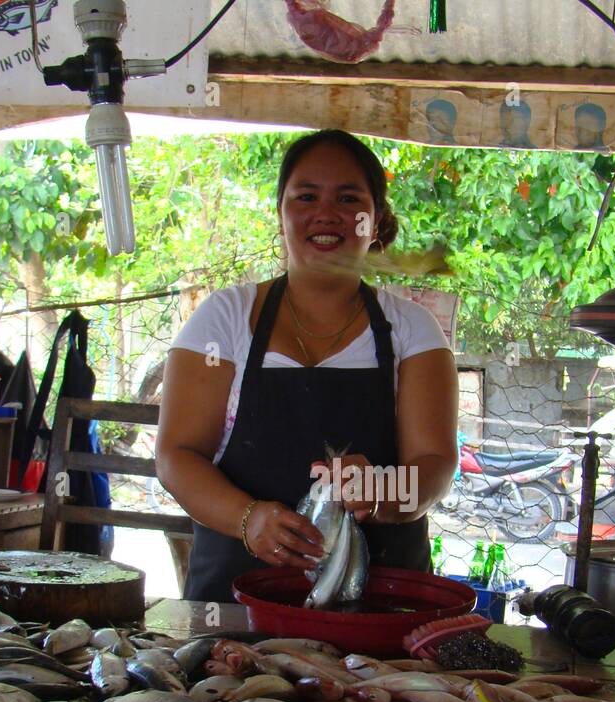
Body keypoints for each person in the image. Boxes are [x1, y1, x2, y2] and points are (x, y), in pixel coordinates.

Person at [157, 129, 459, 603]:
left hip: (378, 615)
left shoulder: (413, 331)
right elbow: (176, 454)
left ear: (375, 220)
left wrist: (384, 491)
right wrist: (248, 518)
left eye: (348, 197)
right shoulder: (224, 318)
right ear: (281, 214)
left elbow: (436, 466)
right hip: (236, 613)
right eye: (306, 196)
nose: (326, 213)